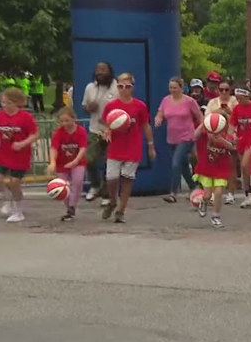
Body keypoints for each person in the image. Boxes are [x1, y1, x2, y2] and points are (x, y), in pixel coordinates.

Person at [100, 73, 155, 223]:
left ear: (133, 87)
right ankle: (112, 201)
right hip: (116, 147)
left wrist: (151, 146)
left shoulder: (140, 106)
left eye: (128, 86)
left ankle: (121, 210)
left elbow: (146, 125)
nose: (124, 89)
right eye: (120, 86)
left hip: (133, 147)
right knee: (111, 178)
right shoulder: (111, 106)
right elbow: (106, 123)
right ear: (117, 87)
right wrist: (107, 131)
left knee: (127, 178)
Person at [155, 78, 203, 203]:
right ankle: (194, 187)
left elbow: (200, 117)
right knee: (183, 165)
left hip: (187, 136)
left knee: (176, 163)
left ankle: (173, 193)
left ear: (181, 88)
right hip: (172, 137)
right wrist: (158, 119)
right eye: (171, 87)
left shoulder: (189, 101)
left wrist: (199, 131)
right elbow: (160, 113)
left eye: (175, 87)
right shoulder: (166, 100)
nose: (172, 90)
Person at [0, 88, 39, 223]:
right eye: (3, 102)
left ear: (17, 103)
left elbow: (35, 134)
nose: (5, 105)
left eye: (8, 103)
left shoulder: (25, 117)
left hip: (20, 156)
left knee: (14, 182)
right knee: (0, 179)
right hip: (3, 154)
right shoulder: (0, 116)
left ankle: (18, 211)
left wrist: (22, 143)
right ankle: (6, 201)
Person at [81, 61, 118, 204]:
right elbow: (84, 107)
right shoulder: (90, 87)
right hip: (95, 130)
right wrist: (89, 107)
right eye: (97, 70)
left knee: (109, 164)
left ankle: (106, 195)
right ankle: (96, 186)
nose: (99, 72)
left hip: (112, 131)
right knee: (89, 160)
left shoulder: (116, 87)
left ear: (109, 71)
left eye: (103, 70)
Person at [192, 109, 235, 229]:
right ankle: (203, 202)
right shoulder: (205, 134)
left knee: (219, 192)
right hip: (206, 167)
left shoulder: (228, 135)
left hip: (221, 169)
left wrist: (221, 140)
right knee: (207, 194)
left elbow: (232, 146)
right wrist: (203, 125)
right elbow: (193, 136)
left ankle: (216, 216)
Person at [46, 107, 89, 221]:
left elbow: (83, 148)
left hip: (78, 161)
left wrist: (75, 161)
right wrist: (53, 162)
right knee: (63, 186)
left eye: (67, 120)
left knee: (78, 181)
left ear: (74, 119)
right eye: (62, 121)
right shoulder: (58, 133)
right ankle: (69, 208)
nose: (65, 123)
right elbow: (54, 148)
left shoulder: (81, 131)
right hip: (62, 163)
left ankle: (72, 206)